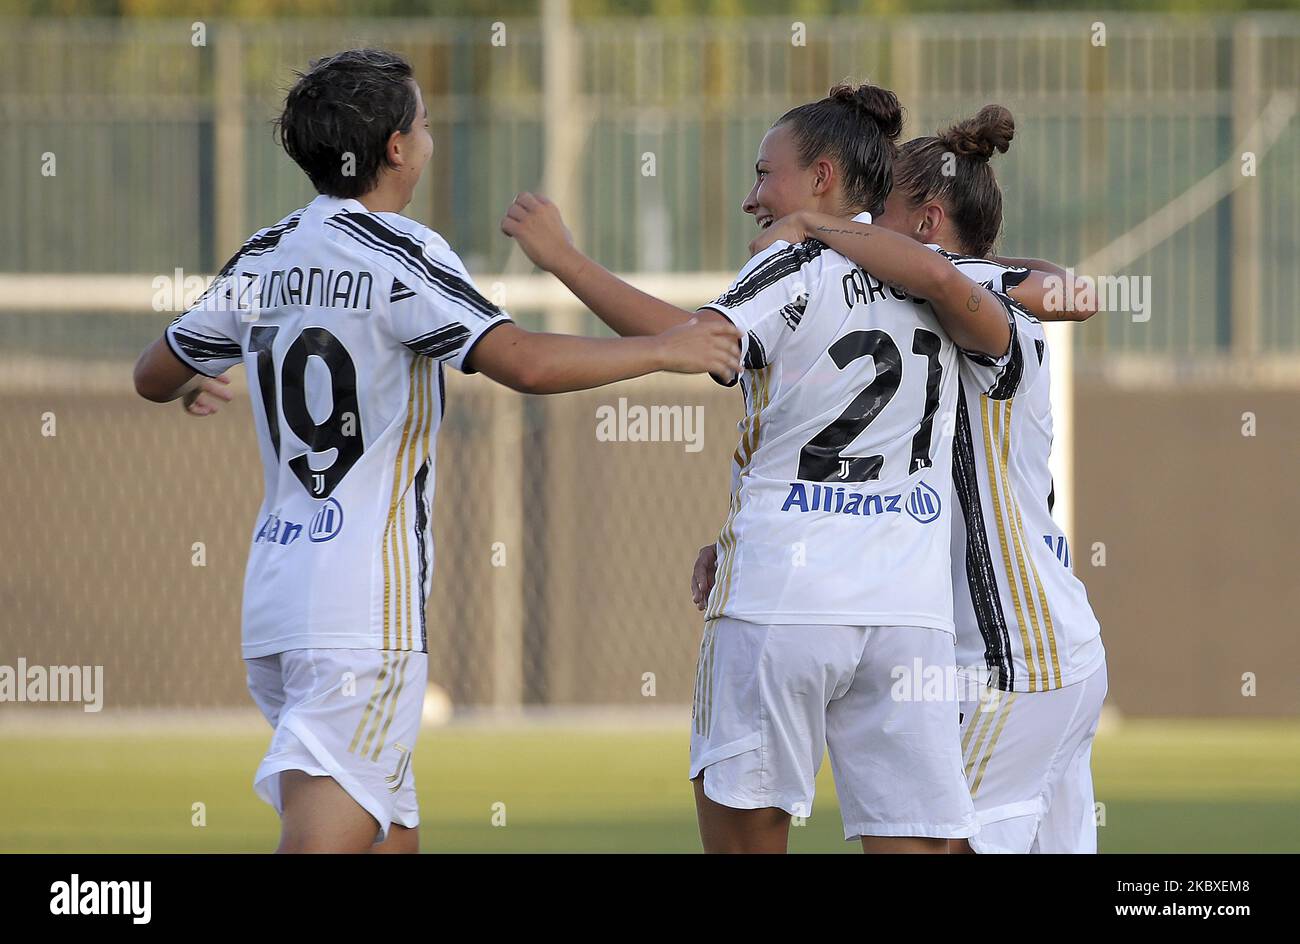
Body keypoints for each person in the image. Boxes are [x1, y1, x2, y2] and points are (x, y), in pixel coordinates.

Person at [132, 48, 741, 854]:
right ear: (394, 148)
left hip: (277, 600)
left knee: (391, 836)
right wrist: (667, 348)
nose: (430, 137)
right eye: (422, 123)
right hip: (361, 606)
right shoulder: (402, 253)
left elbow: (153, 374)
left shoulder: (265, 253)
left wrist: (195, 383)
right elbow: (519, 359)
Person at [502, 84, 1023, 853]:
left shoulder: (797, 261)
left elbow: (695, 340)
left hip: (785, 597)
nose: (752, 197)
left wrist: (564, 262)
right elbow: (1038, 299)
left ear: (820, 179)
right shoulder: (942, 275)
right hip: (908, 617)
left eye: (763, 173)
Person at [700, 105, 1107, 853]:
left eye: (875, 210)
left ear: (921, 224)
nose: (860, 222)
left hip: (1006, 654)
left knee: (941, 841)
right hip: (1060, 647)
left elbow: (1073, 293)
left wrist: (818, 228)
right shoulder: (936, 302)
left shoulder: (963, 299)